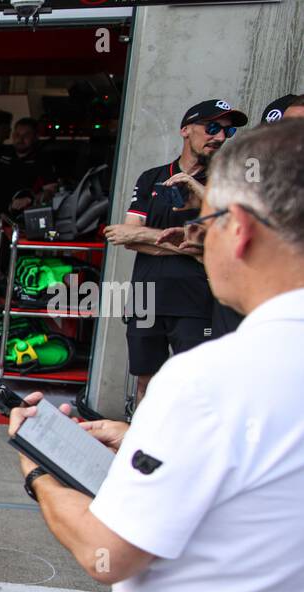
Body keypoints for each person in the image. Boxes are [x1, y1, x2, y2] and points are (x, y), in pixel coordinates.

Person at [8, 119, 304, 592]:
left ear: (237, 228)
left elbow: (109, 552)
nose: (198, 238)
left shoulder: (212, 376)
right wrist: (136, 439)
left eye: (203, 222)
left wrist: (40, 471)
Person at [104, 99, 247, 404]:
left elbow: (230, 235)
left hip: (196, 300)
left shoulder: (227, 181)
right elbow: (128, 236)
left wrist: (150, 234)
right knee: (145, 382)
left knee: (194, 387)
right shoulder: (151, 177)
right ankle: (140, 448)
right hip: (146, 296)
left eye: (228, 131)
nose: (220, 137)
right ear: (185, 130)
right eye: (212, 128)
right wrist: (194, 249)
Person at [0, 116, 56, 321]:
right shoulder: (0, 151)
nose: (20, 139)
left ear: (35, 137)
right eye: (17, 134)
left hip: (12, 226)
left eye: (26, 135)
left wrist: (31, 198)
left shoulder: (41, 159)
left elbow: (50, 190)